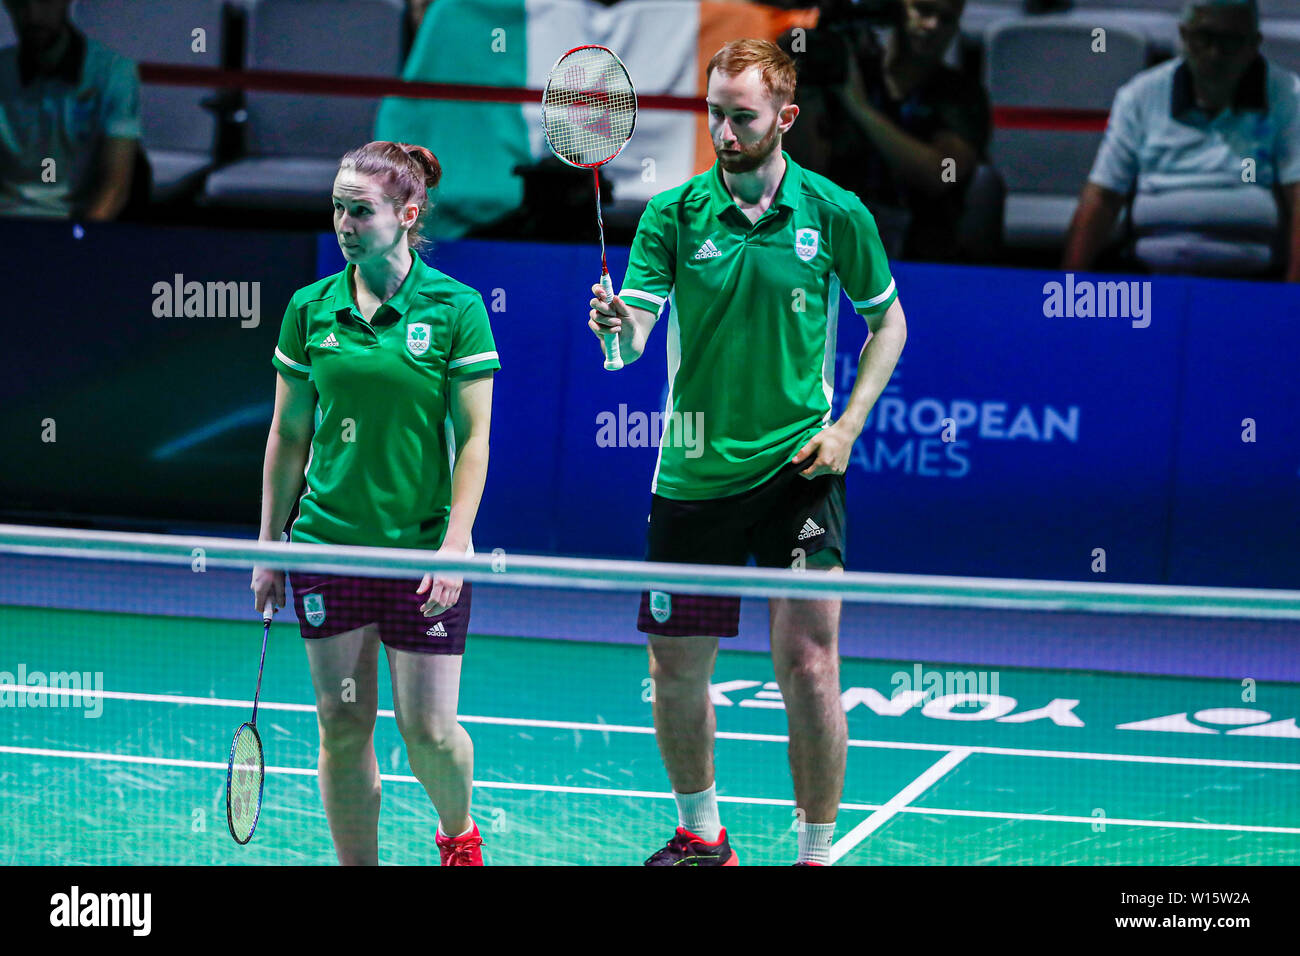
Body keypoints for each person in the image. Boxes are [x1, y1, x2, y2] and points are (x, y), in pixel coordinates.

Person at [589, 39, 907, 866]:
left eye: (741, 117)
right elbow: (633, 345)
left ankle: (815, 852)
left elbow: (889, 323)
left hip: (800, 468)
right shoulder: (673, 214)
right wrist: (617, 329)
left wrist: (847, 427)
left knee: (807, 663)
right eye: (714, 115)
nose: (724, 132)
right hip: (693, 473)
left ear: (785, 119)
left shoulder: (836, 214)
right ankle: (703, 836)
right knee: (678, 670)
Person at [251, 141, 499, 866]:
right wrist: (269, 546)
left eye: (361, 210)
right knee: (342, 725)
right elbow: (288, 433)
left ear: (408, 214)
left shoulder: (456, 308)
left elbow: (476, 437)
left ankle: (458, 836)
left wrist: (458, 542)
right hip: (328, 545)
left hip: (422, 552)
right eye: (338, 208)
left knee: (428, 730)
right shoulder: (310, 308)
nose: (344, 224)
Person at [1062, 0, 1300, 279]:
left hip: (1250, 281)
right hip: (1153, 276)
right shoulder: (1140, 95)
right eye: (1204, 38)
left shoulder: (1289, 95)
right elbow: (1102, 197)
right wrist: (1069, 287)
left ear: (1254, 44)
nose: (1214, 54)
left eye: (1230, 41)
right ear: (1184, 36)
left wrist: (1292, 299)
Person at [781, 0, 989, 261]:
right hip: (837, 249)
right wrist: (800, 92)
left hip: (923, 258)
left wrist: (859, 107)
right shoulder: (847, 72)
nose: (933, 25)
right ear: (898, 11)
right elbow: (804, 173)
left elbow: (941, 175)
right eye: (924, 11)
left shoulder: (962, 95)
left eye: (946, 19)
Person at [0, 0, 140, 219]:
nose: (34, 15)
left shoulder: (113, 72)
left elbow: (116, 184)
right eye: (22, 4)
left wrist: (80, 239)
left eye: (45, 2)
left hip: (75, 223)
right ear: (8, 6)